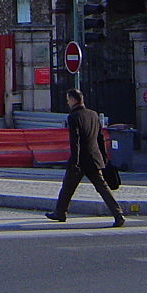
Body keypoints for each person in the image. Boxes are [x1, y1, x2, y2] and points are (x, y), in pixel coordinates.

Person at [46, 88, 125, 227]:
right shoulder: (93, 115)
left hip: (80, 160)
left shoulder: (73, 117)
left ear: (73, 100)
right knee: (103, 188)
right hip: (94, 158)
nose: (67, 102)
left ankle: (60, 212)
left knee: (67, 187)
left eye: (68, 99)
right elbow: (100, 138)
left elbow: (75, 141)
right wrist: (104, 158)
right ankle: (118, 214)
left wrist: (74, 162)